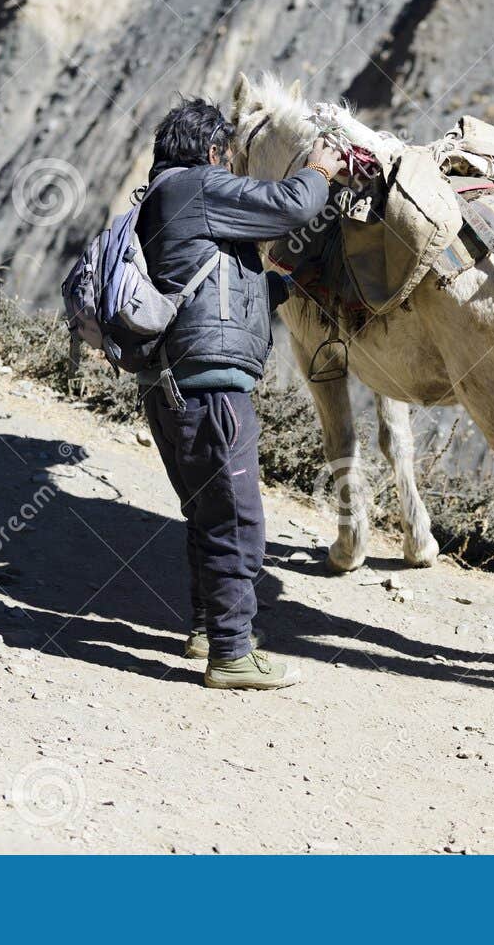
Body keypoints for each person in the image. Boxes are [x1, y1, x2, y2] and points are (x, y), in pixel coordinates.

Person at [136, 96, 343, 690]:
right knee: (238, 519)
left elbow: (206, 284)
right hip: (211, 393)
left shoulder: (166, 198)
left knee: (207, 514)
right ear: (211, 152)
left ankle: (207, 627)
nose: (229, 168)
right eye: (227, 157)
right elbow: (292, 204)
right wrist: (322, 170)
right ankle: (231, 653)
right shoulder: (198, 187)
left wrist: (274, 288)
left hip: (176, 389)